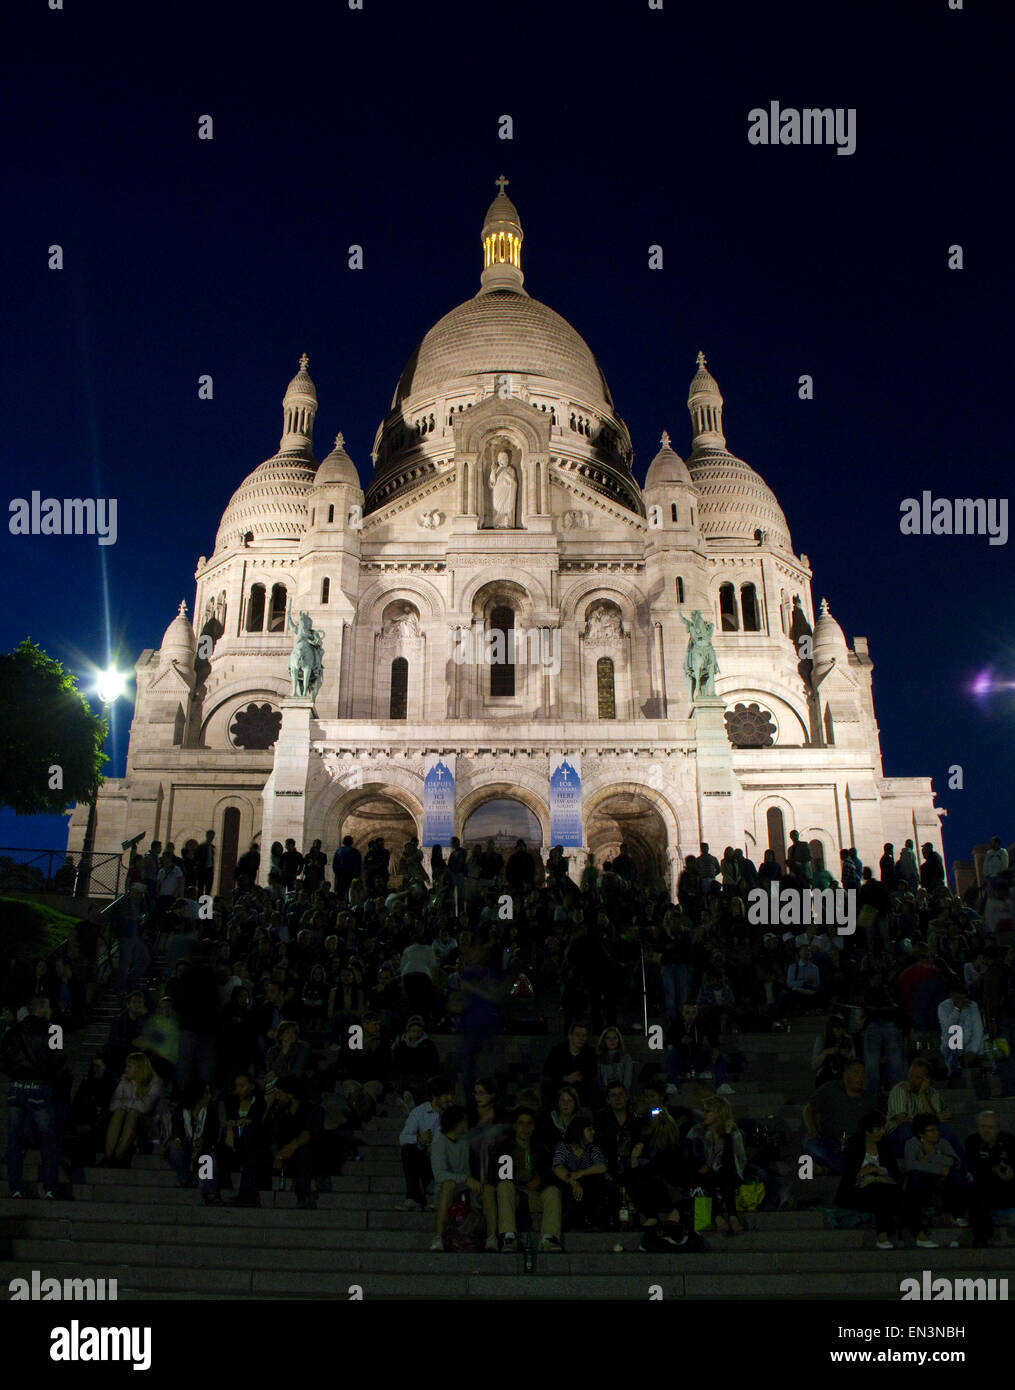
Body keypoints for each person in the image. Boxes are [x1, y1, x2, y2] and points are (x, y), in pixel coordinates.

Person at [837, 1111, 938, 1250]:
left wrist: (882, 1172)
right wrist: (864, 1172)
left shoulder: (884, 1145)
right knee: (881, 1193)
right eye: (878, 1129)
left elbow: (895, 1172)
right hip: (859, 1189)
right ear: (867, 1131)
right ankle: (884, 1235)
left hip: (884, 1184)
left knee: (897, 1194)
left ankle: (918, 1233)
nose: (882, 1132)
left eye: (882, 1128)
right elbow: (848, 1174)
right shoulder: (855, 1145)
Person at [1, 996, 70, 1198]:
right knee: (48, 1141)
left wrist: (17, 1074)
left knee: (14, 1141)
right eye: (48, 1007)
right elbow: (59, 1059)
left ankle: (15, 1187)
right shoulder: (54, 1030)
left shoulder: (13, 1031)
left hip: (17, 1087)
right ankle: (50, 1187)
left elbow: (3, 1059)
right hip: (40, 1088)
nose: (51, 1010)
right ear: (41, 1009)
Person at [492, 1108, 563, 1253]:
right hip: (513, 1195)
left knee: (553, 1192)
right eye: (521, 1123)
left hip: (534, 1195)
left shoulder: (541, 1148)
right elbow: (496, 1176)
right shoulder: (504, 1148)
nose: (525, 1128)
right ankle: (509, 1236)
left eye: (529, 1124)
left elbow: (552, 1174)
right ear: (515, 1126)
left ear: (534, 1126)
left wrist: (540, 1180)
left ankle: (549, 1238)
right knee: (504, 1186)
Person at [688, 1093, 747, 1234]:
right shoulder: (704, 1133)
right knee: (702, 1177)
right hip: (712, 1173)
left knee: (724, 1173)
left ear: (718, 1113)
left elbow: (733, 1160)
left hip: (730, 1171)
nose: (704, 1114)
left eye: (708, 1111)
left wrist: (727, 1134)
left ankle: (731, 1217)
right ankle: (720, 1217)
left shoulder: (734, 1133)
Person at [429, 1105, 485, 1250]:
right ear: (456, 1123)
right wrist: (465, 1179)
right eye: (464, 1121)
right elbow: (440, 1174)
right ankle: (438, 1237)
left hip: (463, 1189)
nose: (466, 1124)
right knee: (449, 1185)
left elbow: (466, 1169)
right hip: (445, 1190)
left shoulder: (463, 1141)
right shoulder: (439, 1142)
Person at [803, 1060, 870, 1175]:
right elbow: (809, 1109)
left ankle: (831, 1168)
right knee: (811, 1144)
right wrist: (812, 1130)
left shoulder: (868, 1100)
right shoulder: (830, 1088)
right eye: (856, 1073)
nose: (861, 1077)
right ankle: (847, 1170)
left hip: (853, 1145)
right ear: (846, 1074)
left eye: (863, 1073)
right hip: (829, 1140)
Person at [399, 1076, 454, 1212]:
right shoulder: (420, 1112)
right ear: (435, 1096)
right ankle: (414, 1198)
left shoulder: (453, 1113)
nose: (450, 1098)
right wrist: (419, 1138)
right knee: (408, 1149)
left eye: (450, 1094)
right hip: (425, 1162)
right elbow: (403, 1138)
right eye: (446, 1095)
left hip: (445, 1161)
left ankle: (441, 1196)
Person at [265, 1073, 320, 1209]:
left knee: (304, 1152)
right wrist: (276, 1154)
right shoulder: (279, 1112)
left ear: (290, 1094)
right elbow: (273, 1138)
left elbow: (307, 1134)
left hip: (305, 1156)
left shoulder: (312, 1110)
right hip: (285, 1157)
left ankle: (303, 1196)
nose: (276, 1097)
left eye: (279, 1093)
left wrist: (286, 1150)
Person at [902, 1115, 967, 1228]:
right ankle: (917, 1217)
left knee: (955, 1176)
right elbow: (911, 1165)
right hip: (922, 1181)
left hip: (941, 1182)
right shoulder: (911, 1144)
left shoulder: (943, 1143)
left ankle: (957, 1215)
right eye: (931, 1131)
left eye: (936, 1129)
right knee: (916, 1176)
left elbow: (954, 1161)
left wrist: (929, 1158)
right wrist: (938, 1168)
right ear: (921, 1133)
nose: (936, 1133)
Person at [166, 1078, 223, 1205]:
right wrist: (177, 1139)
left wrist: (203, 1141)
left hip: (202, 1150)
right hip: (185, 1148)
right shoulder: (181, 1111)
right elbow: (176, 1129)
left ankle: (210, 1192)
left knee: (210, 1158)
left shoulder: (211, 1112)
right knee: (174, 1150)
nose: (209, 1096)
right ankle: (185, 1179)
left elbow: (214, 1133)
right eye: (206, 1093)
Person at [105, 1052, 166, 1166]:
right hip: (125, 1119)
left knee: (133, 1113)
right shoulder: (125, 1080)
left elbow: (145, 1107)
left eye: (129, 1066)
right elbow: (113, 1105)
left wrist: (125, 1103)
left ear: (139, 1069)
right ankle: (109, 1156)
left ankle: (118, 1155)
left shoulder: (156, 1082)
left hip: (147, 1125)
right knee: (119, 1111)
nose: (125, 1069)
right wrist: (124, 1090)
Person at [964, 1110, 1015, 1247]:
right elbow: (973, 1165)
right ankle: (981, 1238)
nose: (986, 1130)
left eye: (990, 1127)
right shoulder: (972, 1141)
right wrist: (993, 1169)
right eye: (983, 1126)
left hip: (1007, 1187)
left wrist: (1011, 1171)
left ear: (998, 1128)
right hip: (983, 1188)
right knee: (975, 1191)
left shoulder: (1009, 1141)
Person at [552, 1117, 610, 1230]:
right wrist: (573, 1183)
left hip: (589, 1186)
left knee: (597, 1180)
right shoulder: (563, 1147)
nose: (593, 1132)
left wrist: (581, 1173)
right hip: (569, 1185)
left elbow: (602, 1166)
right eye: (589, 1129)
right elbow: (557, 1166)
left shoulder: (592, 1148)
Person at [221, 1071, 267, 1206]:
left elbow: (256, 1123)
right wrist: (231, 1130)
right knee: (226, 1132)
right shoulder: (231, 1100)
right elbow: (230, 1120)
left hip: (251, 1140)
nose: (238, 1089)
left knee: (251, 1150)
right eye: (237, 1086)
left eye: (242, 1086)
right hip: (235, 1138)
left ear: (251, 1086)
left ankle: (246, 1195)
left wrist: (245, 1123)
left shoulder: (259, 1102)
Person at [541, 1022, 597, 1108]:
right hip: (561, 1084)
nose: (582, 1038)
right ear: (570, 1036)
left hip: (581, 1084)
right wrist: (565, 1078)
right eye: (578, 1035)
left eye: (584, 1035)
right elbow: (548, 1070)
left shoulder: (590, 1051)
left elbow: (592, 1070)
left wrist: (580, 1076)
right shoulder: (558, 1050)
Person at [391, 1015, 440, 1108]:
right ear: (408, 1032)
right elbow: (399, 1062)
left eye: (418, 1031)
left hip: (421, 1075)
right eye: (413, 1031)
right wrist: (407, 1047)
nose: (416, 1034)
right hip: (405, 1075)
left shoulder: (428, 1045)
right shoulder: (402, 1044)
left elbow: (427, 1063)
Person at [938, 985, 984, 1077]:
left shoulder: (972, 1005)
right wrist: (957, 1009)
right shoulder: (943, 1007)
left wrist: (972, 1051)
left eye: (963, 998)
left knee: (980, 1044)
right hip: (951, 1045)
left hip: (969, 1044)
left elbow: (977, 1029)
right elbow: (948, 1027)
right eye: (958, 998)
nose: (961, 1001)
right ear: (951, 995)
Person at [811, 1013, 856, 1088]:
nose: (840, 1031)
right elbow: (814, 1065)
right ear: (830, 1028)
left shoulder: (847, 1040)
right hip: (826, 1076)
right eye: (837, 1028)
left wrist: (846, 1053)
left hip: (842, 1075)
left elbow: (853, 1059)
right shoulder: (822, 1039)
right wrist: (825, 1052)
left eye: (842, 1028)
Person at [595, 1026, 634, 1099]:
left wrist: (621, 1094)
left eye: (615, 1038)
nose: (611, 1041)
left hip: (622, 1095)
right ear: (604, 1041)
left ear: (619, 1040)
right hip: (605, 1095)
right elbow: (599, 1081)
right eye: (608, 1038)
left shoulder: (626, 1057)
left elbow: (627, 1081)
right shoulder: (600, 1058)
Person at [194, 830, 216, 897]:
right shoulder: (201, 846)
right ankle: (200, 904)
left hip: (209, 870)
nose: (211, 838)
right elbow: (196, 858)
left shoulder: (212, 847)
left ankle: (206, 906)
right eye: (210, 836)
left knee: (208, 890)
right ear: (207, 836)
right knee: (200, 889)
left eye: (212, 836)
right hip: (202, 870)